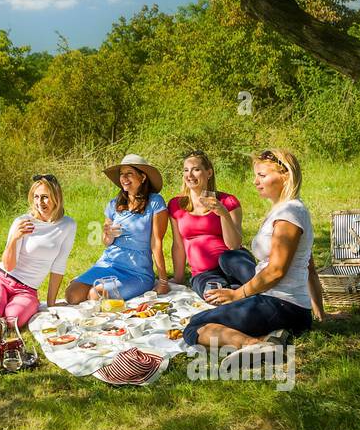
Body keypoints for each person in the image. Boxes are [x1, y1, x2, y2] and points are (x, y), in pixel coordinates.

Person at [182, 149, 325, 360]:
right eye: (256, 175)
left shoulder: (289, 215)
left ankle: (259, 345)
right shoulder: (289, 209)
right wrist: (319, 314)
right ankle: (273, 336)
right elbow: (309, 267)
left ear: (285, 176)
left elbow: (275, 272)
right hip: (288, 306)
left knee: (195, 326)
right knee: (206, 317)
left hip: (280, 305)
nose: (255, 181)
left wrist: (237, 294)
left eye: (262, 175)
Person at [65, 154, 171, 304]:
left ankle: (97, 287)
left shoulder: (155, 202)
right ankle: (91, 281)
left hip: (136, 271)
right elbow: (106, 242)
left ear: (143, 177)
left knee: (96, 295)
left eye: (129, 173)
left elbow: (156, 243)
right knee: (72, 295)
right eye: (122, 174)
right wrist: (108, 235)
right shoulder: (114, 204)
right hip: (108, 263)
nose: (124, 178)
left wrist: (163, 281)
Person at [0, 175, 77, 329]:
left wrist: (51, 304)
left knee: (12, 322)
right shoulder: (22, 222)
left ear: (56, 197)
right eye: (36, 197)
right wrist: (14, 239)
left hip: (27, 290)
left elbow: (59, 265)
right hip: (2, 279)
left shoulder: (68, 225)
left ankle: (0, 312)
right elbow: (8, 266)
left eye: (45, 197)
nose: (39, 202)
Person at [166, 150, 250, 298]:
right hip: (204, 274)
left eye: (196, 169)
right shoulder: (176, 205)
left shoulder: (228, 201)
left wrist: (223, 213)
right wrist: (178, 278)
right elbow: (178, 245)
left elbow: (234, 245)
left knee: (257, 288)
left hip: (232, 262)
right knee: (216, 298)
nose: (189, 175)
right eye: (186, 170)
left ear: (209, 172)